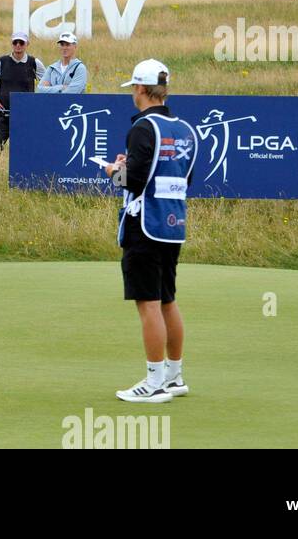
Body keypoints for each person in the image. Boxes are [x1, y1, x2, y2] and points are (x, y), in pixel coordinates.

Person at [105, 59, 197, 403]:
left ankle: (155, 381)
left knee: (149, 303)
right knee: (168, 300)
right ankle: (174, 376)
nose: (132, 93)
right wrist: (129, 168)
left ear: (142, 89)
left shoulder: (143, 128)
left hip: (145, 225)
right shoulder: (186, 129)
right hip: (173, 224)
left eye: (133, 87)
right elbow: (183, 177)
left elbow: (135, 180)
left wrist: (114, 171)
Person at [0, 31, 43, 155]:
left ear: (27, 44)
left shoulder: (34, 62)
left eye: (21, 42)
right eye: (15, 42)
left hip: (26, 115)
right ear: (12, 44)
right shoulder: (2, 61)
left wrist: (38, 103)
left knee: (25, 151)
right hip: (4, 114)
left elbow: (47, 82)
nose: (18, 45)